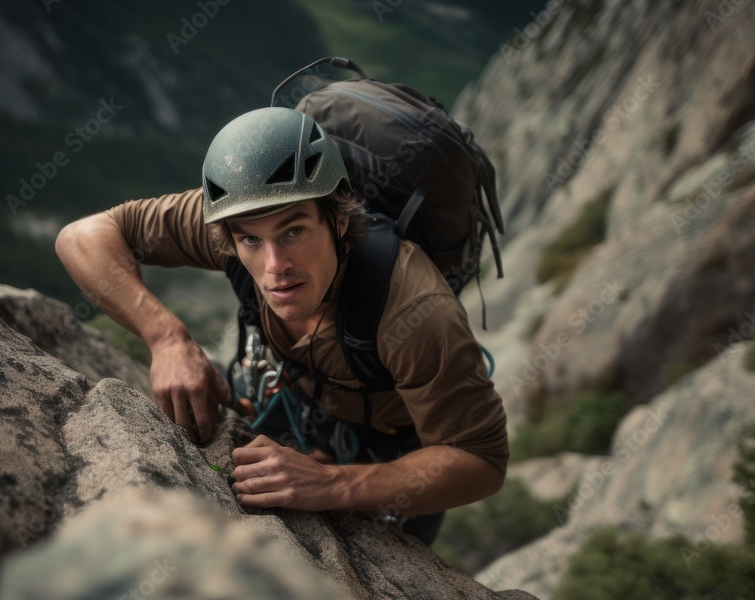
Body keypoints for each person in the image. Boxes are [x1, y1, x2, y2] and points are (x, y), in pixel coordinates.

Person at [56, 107, 508, 544]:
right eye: (251, 240)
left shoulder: (415, 311)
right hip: (298, 396)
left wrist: (334, 484)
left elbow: (479, 460)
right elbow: (82, 236)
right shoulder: (239, 215)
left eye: (294, 232)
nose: (275, 266)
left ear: (337, 217)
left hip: (391, 451)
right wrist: (166, 338)